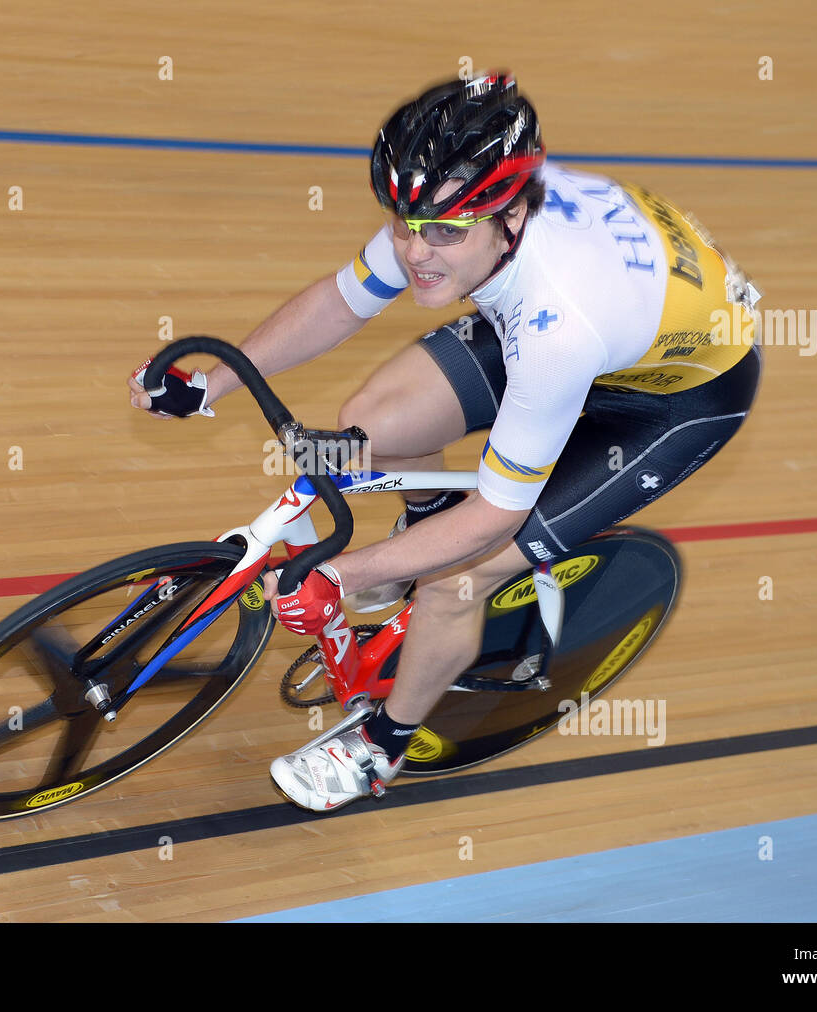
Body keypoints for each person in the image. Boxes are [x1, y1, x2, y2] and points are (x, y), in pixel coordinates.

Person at [128, 72, 761, 812]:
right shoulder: (451, 203)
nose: (417, 252)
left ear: (513, 219)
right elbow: (341, 301)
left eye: (443, 235)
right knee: (377, 420)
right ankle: (425, 528)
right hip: (608, 326)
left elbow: (495, 515)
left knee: (459, 579)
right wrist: (209, 386)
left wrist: (343, 574)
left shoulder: (556, 321)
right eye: (403, 226)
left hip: (675, 401)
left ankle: (380, 747)